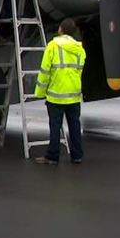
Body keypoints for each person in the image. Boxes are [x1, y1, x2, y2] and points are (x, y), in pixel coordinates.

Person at [34, 19, 85, 165]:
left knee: (55, 127)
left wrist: (40, 92)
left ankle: (52, 156)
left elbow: (45, 71)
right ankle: (77, 155)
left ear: (60, 30)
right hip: (74, 95)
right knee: (75, 126)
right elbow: (79, 71)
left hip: (55, 95)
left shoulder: (52, 46)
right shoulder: (80, 49)